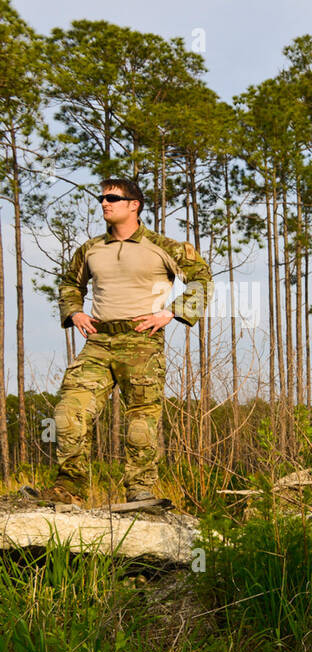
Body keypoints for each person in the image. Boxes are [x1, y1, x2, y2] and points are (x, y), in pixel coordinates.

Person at [47, 177, 211, 505]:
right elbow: (70, 283)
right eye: (102, 198)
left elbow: (202, 278)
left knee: (141, 419)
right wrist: (75, 312)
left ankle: (139, 490)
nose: (104, 203)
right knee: (68, 411)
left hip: (141, 342)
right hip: (98, 341)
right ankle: (69, 489)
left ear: (134, 205)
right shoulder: (90, 249)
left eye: (112, 198)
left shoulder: (166, 247)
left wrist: (172, 312)